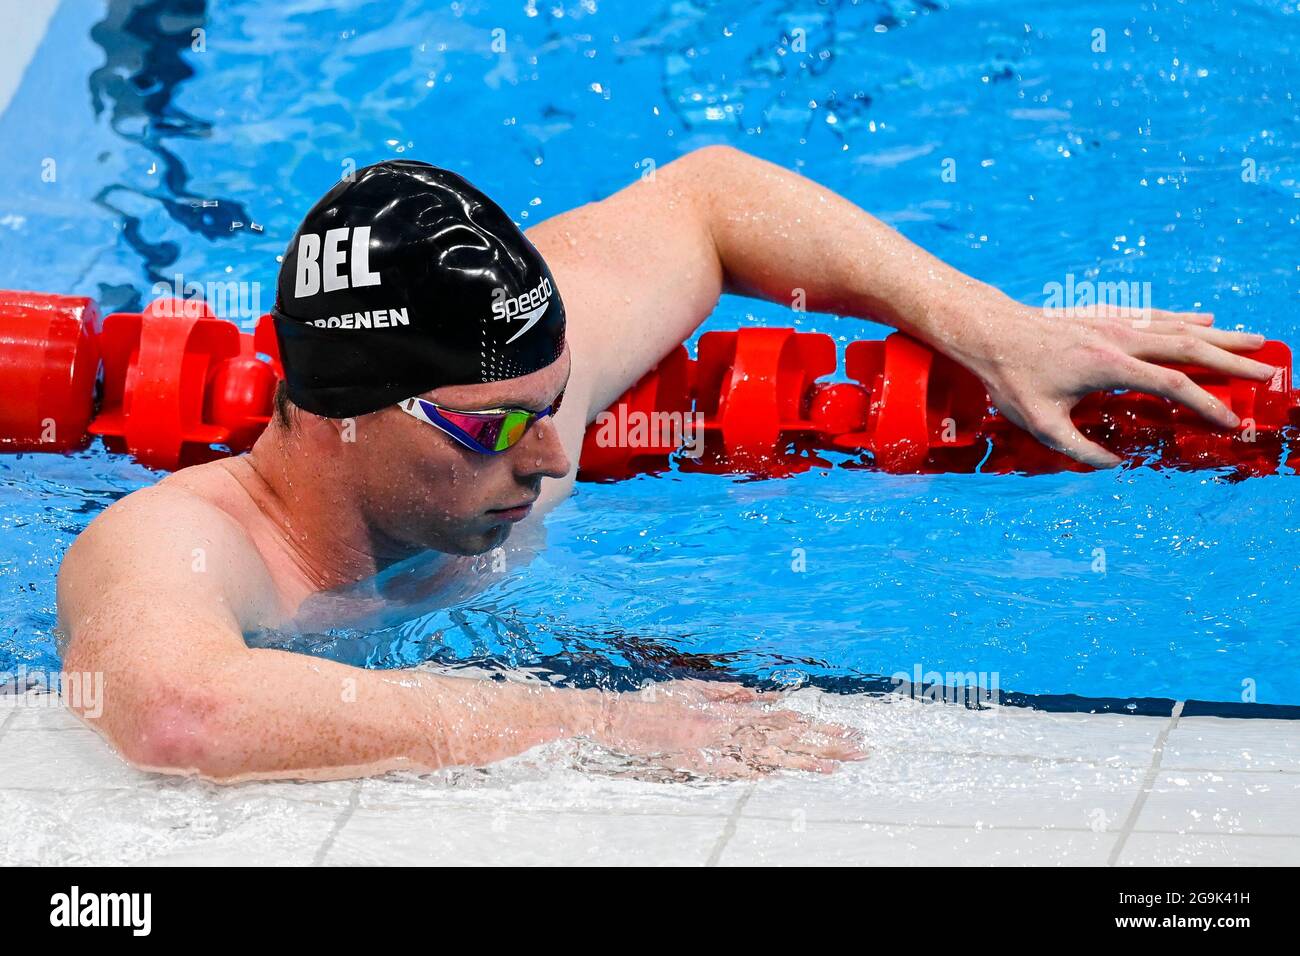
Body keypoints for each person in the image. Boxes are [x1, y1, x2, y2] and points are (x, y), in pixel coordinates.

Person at [55, 148, 1274, 782]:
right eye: (493, 428)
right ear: (342, 412)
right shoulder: (185, 545)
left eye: (555, 400)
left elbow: (709, 199)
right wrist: (598, 726)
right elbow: (182, 710)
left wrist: (985, 320)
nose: (549, 456)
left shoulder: (505, 385)